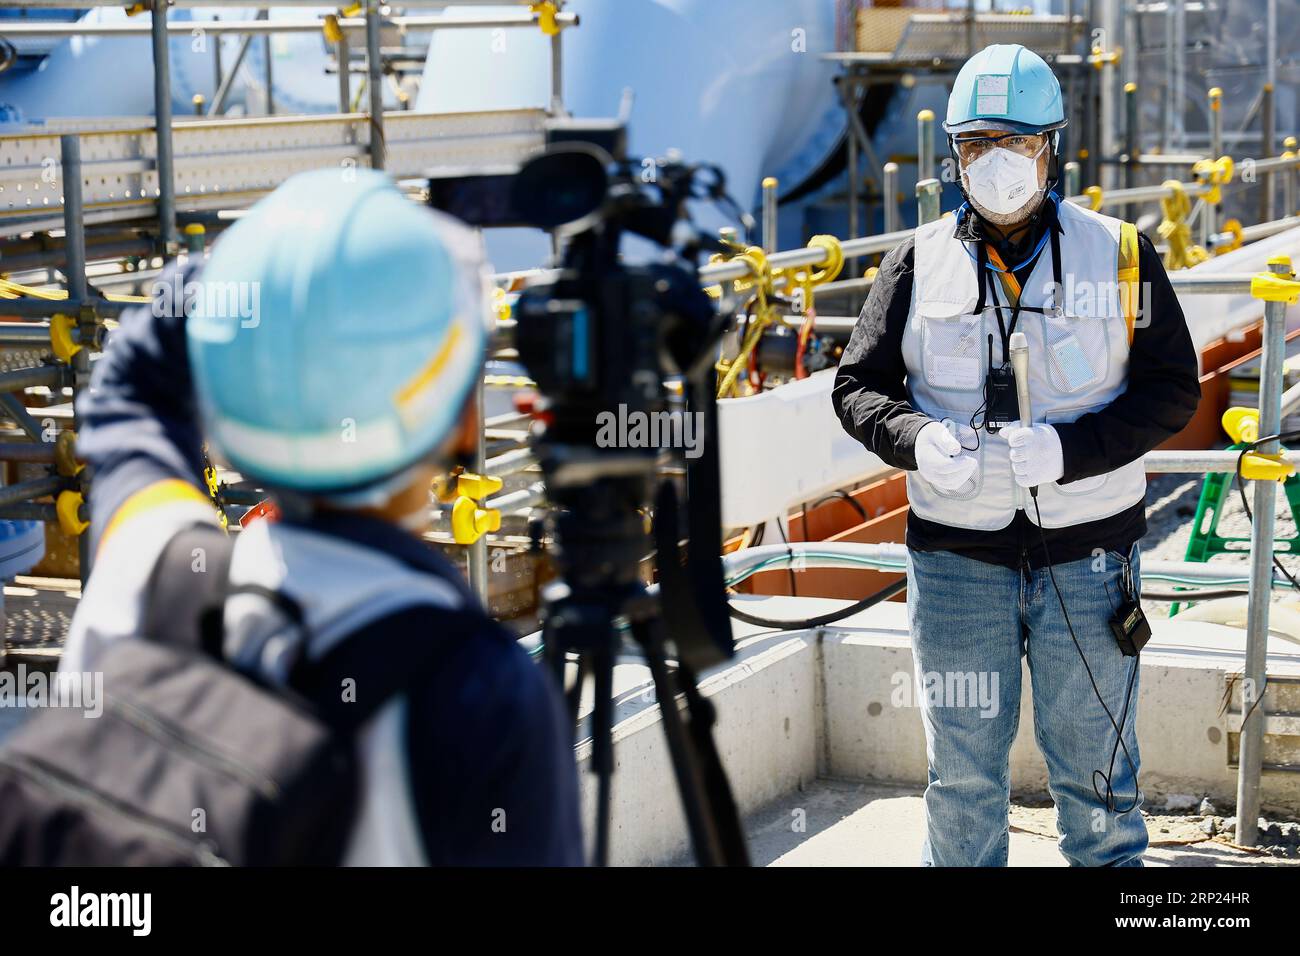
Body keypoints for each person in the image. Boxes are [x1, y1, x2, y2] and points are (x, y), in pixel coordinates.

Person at [58, 168, 584, 866]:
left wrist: (273, 282)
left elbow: (133, 383)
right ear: (462, 421)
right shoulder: (480, 699)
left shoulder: (147, 578)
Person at [832, 44, 1201, 866]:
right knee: (961, 779)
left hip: (1090, 558)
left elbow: (1174, 388)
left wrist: (1071, 450)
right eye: (976, 146)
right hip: (958, 565)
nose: (995, 165)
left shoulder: (1123, 255)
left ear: (1052, 148)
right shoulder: (916, 259)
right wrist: (916, 438)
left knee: (1099, 778)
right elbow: (856, 386)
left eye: (1016, 144)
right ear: (954, 155)